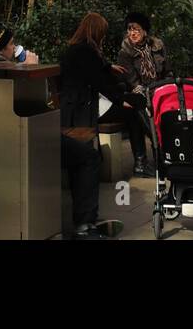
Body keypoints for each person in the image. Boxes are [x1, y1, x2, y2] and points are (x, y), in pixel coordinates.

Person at [59, 12, 131, 239]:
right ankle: (85, 222)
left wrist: (108, 67)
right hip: (79, 114)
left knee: (80, 162)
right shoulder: (86, 52)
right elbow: (98, 80)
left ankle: (84, 216)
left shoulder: (75, 49)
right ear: (96, 32)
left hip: (70, 112)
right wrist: (122, 99)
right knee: (88, 159)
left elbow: (94, 70)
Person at [114, 10, 168, 177]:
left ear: (145, 30)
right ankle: (157, 151)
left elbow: (168, 71)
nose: (132, 33)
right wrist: (152, 91)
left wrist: (166, 87)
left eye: (136, 29)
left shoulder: (157, 46)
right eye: (130, 29)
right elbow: (133, 82)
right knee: (138, 109)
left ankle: (146, 161)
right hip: (139, 94)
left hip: (159, 89)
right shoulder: (125, 51)